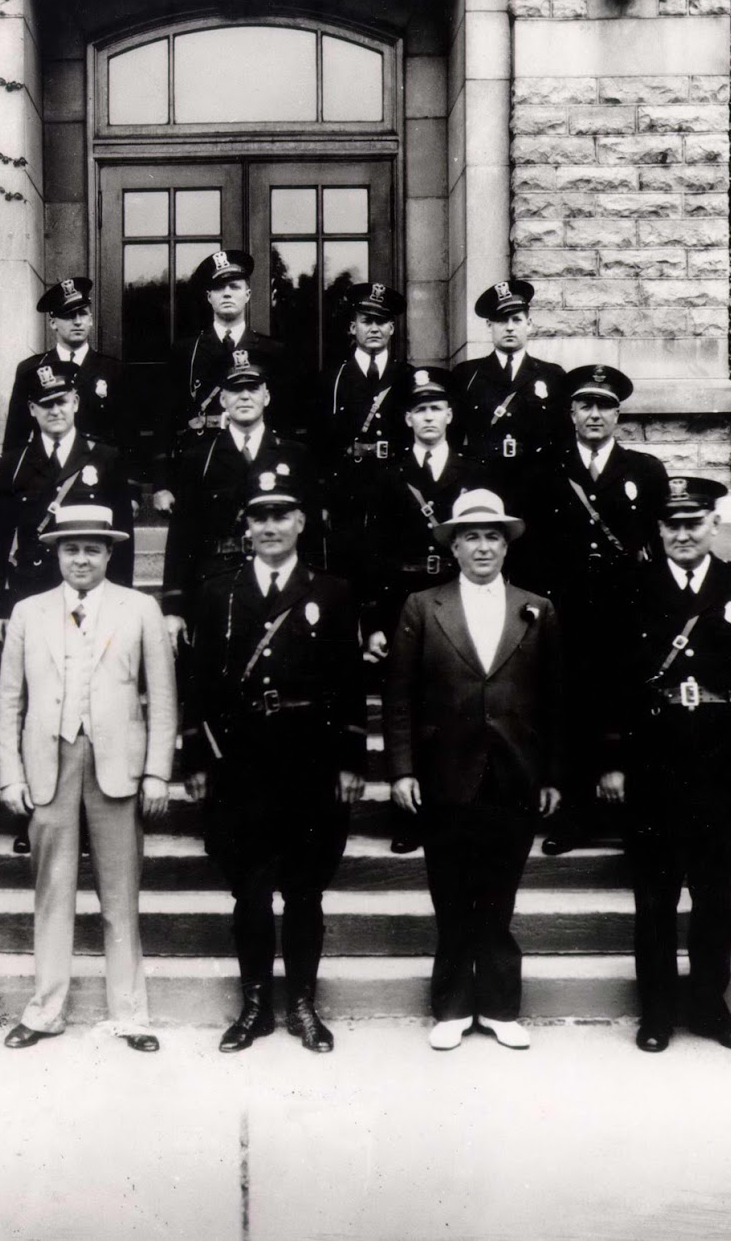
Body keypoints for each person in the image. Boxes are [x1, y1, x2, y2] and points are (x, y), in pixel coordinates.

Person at [596, 477, 731, 1054]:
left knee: (714, 894)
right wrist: (611, 760)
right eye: (672, 524)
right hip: (653, 765)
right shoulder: (630, 585)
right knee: (654, 897)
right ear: (658, 529)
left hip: (725, 766)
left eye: (694, 523)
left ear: (714, 525)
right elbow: (608, 680)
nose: (683, 534)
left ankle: (709, 1006)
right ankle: (656, 1011)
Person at [183, 466, 365, 1053]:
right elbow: (199, 681)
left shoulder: (331, 592)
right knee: (250, 890)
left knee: (305, 890)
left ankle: (303, 1005)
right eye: (259, 516)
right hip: (240, 763)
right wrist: (197, 757)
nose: (270, 526)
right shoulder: (218, 590)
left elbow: (349, 681)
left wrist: (351, 758)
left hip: (310, 759)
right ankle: (255, 1004)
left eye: (280, 515)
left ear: (301, 522)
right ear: (246, 525)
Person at [0, 491, 177, 1053]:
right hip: (48, 763)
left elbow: (162, 696)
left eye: (92, 550)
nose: (81, 559)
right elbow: (9, 700)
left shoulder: (139, 608)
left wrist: (157, 772)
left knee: (120, 895)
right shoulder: (28, 612)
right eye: (71, 549)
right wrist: (10, 774)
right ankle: (46, 1010)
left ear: (109, 554)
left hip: (117, 764)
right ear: (56, 553)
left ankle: (130, 1014)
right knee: (53, 891)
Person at [384, 488, 565, 1052]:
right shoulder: (423, 606)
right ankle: (452, 1006)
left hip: (514, 773)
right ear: (454, 547)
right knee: (451, 892)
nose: (482, 547)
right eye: (471, 537)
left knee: (500, 894)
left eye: (492, 537)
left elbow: (555, 698)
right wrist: (402, 769)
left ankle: (501, 1006)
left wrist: (552, 774)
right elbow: (399, 695)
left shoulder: (537, 608)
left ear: (506, 547)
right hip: (445, 773)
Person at [524, 364, 668, 856]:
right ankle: (575, 816)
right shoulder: (545, 467)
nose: (594, 414)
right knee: (571, 708)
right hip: (566, 609)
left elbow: (659, 545)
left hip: (629, 611)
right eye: (585, 404)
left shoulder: (645, 471)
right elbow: (529, 547)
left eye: (605, 405)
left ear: (618, 414)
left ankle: (632, 818)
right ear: (570, 411)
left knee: (632, 705)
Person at [359, 367, 487, 854]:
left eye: (436, 408)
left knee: (457, 698)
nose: (428, 417)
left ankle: (457, 806)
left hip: (459, 592)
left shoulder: (473, 472)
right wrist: (374, 622)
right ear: (407, 419)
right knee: (406, 700)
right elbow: (373, 553)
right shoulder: (388, 476)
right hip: (403, 598)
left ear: (450, 415)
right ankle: (409, 814)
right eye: (420, 410)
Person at [161, 350, 318, 645]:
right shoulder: (199, 458)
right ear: (223, 399)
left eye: (253, 389)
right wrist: (173, 606)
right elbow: (182, 537)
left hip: (281, 579)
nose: (244, 397)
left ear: (266, 397)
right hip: (217, 583)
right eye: (235, 390)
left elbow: (312, 533)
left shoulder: (294, 455)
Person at [0, 358, 136, 623]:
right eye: (46, 405)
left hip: (90, 590)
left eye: (61, 402)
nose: (55, 411)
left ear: (75, 403)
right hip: (32, 590)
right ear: (32, 409)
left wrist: (121, 597)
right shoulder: (14, 463)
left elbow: (123, 536)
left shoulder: (104, 457)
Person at [150, 250, 293, 512]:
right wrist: (161, 484)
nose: (227, 293)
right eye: (219, 288)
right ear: (209, 297)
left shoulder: (272, 352)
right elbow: (165, 420)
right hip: (199, 464)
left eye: (234, 287)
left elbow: (285, 421)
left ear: (247, 295)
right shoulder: (186, 351)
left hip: (257, 461)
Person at [315, 282, 412, 573]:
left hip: (395, 491)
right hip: (346, 492)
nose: (374, 328)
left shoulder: (407, 377)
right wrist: (322, 498)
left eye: (381, 322)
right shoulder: (330, 380)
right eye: (367, 321)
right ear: (352, 327)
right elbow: (319, 444)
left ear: (392, 328)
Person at [454, 280, 567, 501]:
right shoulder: (466, 375)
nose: (509, 327)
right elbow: (453, 439)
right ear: (489, 325)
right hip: (482, 486)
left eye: (516, 319)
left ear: (529, 324)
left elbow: (564, 440)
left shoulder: (552, 375)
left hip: (537, 489)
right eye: (501, 320)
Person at [0, 277, 131, 455]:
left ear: (91, 320)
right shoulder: (31, 369)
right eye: (69, 315)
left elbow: (127, 438)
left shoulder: (113, 370)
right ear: (53, 323)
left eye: (83, 314)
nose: (77, 321)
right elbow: (15, 439)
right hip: (48, 468)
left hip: (97, 468)